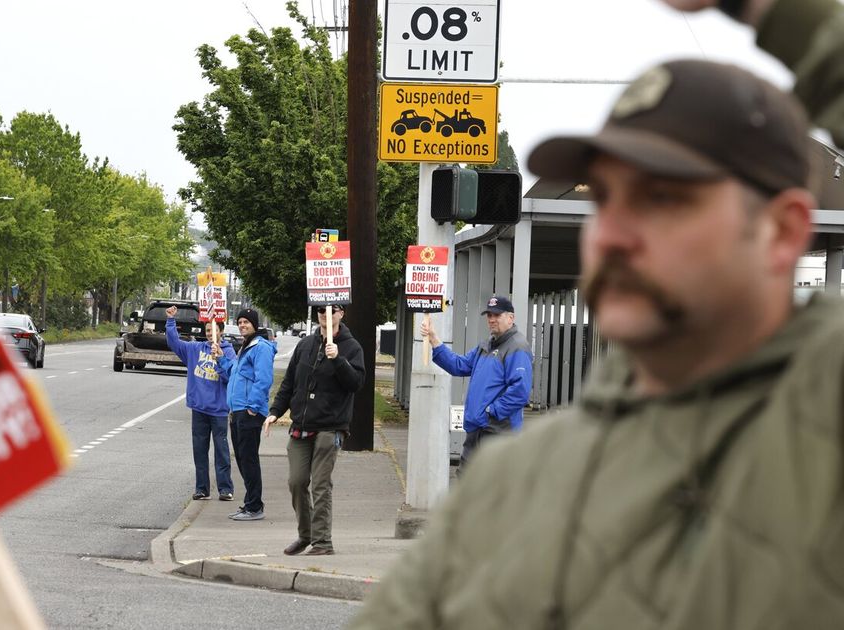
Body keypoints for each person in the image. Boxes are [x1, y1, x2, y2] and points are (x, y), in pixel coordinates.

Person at [350, 0, 844, 625]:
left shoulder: (823, 413)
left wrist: (774, 11)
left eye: (662, 198)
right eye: (606, 197)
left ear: (783, 231)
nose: (611, 234)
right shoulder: (518, 483)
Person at [265, 304, 364, 556]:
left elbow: (355, 383)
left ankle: (322, 542)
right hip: (302, 426)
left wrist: (338, 359)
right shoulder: (305, 345)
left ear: (341, 313)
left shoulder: (352, 347)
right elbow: (289, 383)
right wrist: (275, 411)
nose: (324, 313)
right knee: (296, 482)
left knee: (320, 484)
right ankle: (305, 535)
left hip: (331, 427)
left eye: (331, 309)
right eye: (320, 309)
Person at [419, 295, 531, 469]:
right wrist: (433, 338)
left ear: (511, 318)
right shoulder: (486, 345)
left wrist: (491, 412)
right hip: (477, 430)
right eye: (489, 315)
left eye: (497, 315)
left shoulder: (517, 347)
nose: (491, 319)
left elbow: (520, 392)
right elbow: (459, 365)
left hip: (498, 434)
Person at [165, 305, 235, 502]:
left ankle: (225, 488)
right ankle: (202, 488)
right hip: (199, 409)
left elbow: (231, 377)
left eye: (214, 330)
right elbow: (174, 343)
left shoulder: (229, 352)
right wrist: (170, 321)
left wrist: (220, 358)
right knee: (200, 451)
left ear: (221, 331)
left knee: (221, 451)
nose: (210, 334)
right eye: (207, 330)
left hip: (219, 410)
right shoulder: (195, 349)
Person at [216, 308, 277, 521]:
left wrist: (253, 406)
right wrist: (221, 358)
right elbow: (234, 373)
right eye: (240, 322)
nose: (242, 325)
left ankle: (255, 507)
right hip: (237, 411)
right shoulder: (245, 346)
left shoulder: (261, 347)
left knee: (248, 459)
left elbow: (264, 379)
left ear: (255, 324)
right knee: (242, 459)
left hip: (249, 411)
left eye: (246, 322)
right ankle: (251, 502)